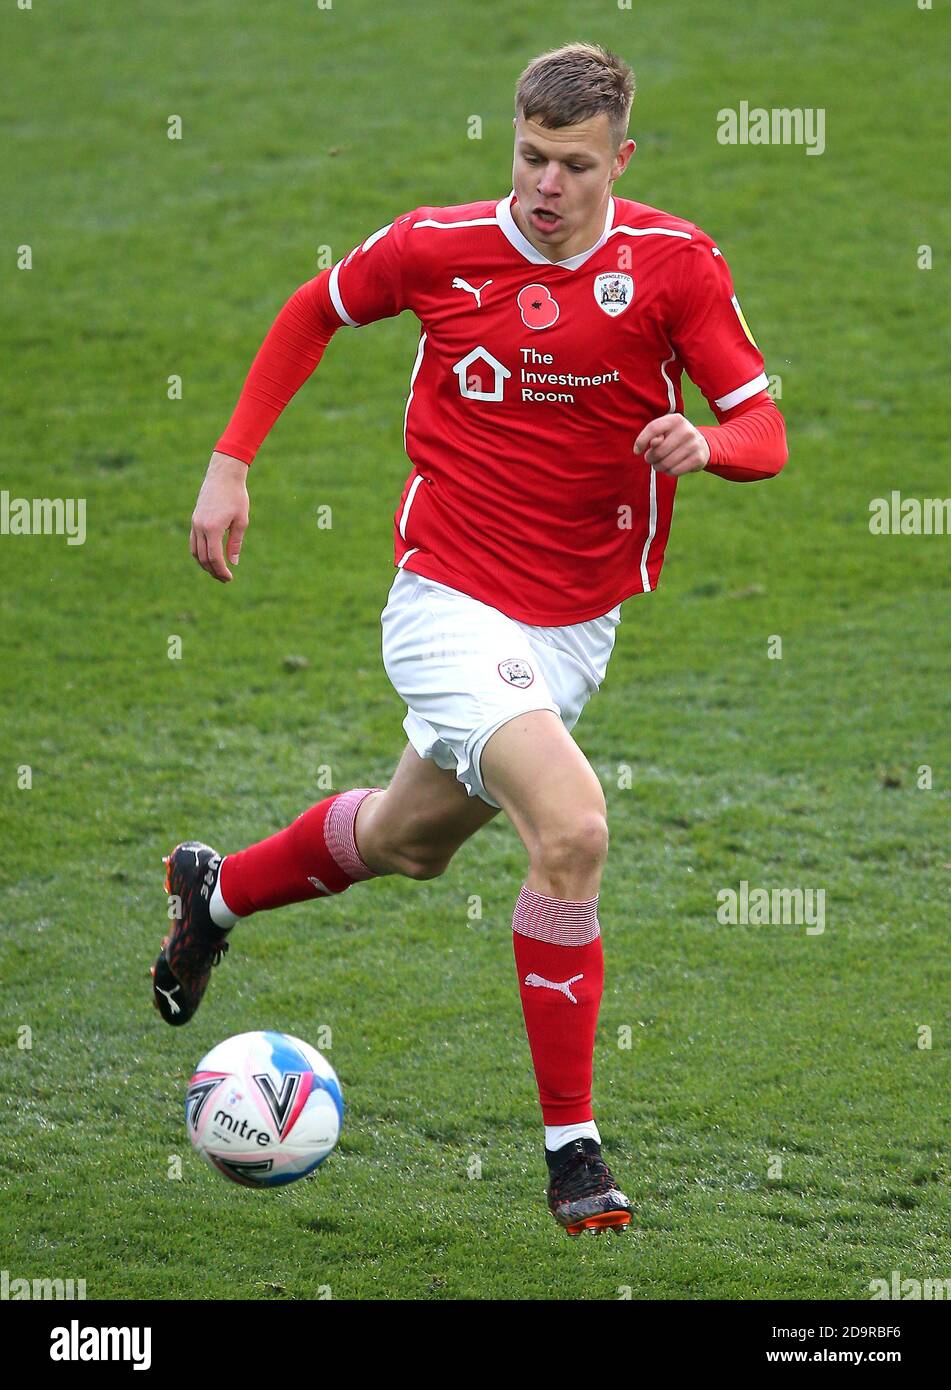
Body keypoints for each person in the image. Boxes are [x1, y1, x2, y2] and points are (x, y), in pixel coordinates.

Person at [152, 41, 787, 1237]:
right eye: (532, 157)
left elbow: (765, 428)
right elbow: (313, 309)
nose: (548, 185)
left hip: (573, 627)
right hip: (446, 603)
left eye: (575, 165)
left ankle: (214, 893)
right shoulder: (439, 247)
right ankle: (573, 1154)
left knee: (406, 842)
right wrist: (230, 459)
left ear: (621, 161)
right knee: (576, 827)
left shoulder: (674, 268)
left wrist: (709, 446)